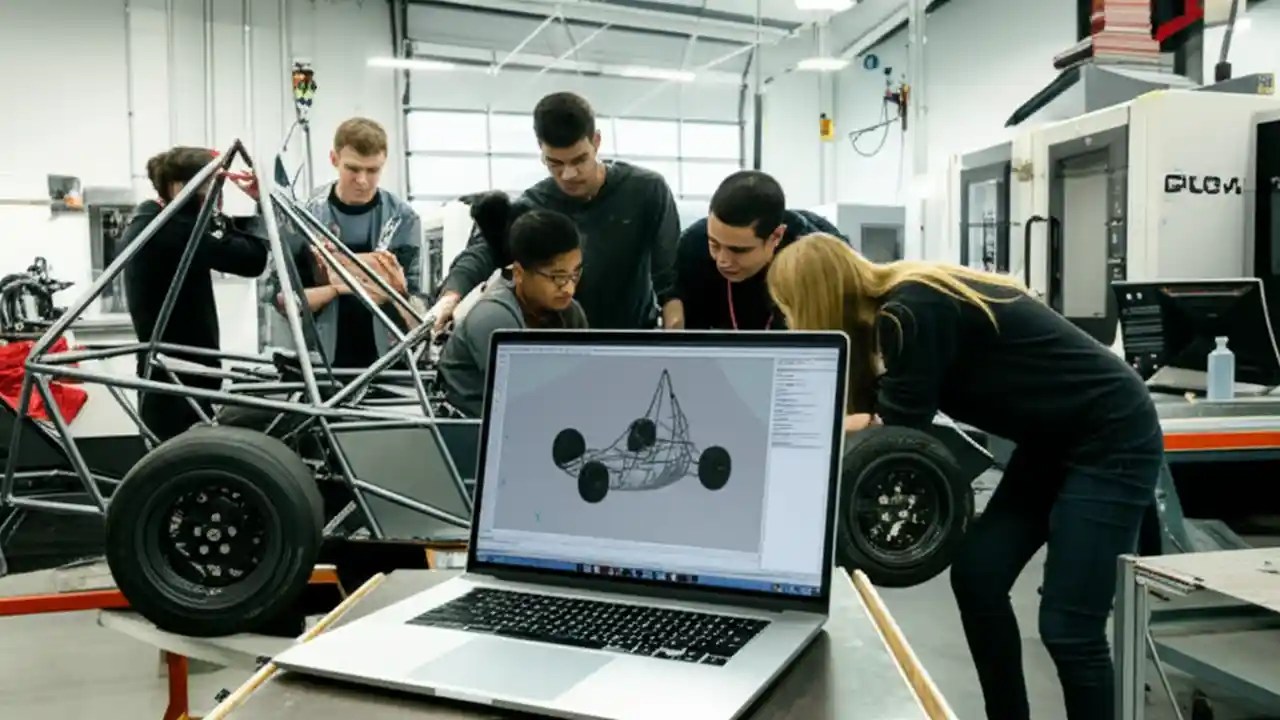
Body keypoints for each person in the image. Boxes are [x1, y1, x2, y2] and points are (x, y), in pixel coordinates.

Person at [766, 233, 1164, 720]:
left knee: (1069, 627)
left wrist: (825, 426)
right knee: (979, 576)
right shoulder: (894, 313)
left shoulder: (910, 310)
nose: (789, 320)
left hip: (1111, 434)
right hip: (1053, 438)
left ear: (812, 299)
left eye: (788, 308)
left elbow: (900, 435)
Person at [430, 91, 680, 331]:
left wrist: (675, 342)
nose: (568, 174)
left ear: (596, 141)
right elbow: (481, 252)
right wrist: (450, 297)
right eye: (555, 164)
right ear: (541, 148)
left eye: (579, 160)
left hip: (632, 339)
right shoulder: (534, 206)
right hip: (562, 343)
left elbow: (670, 280)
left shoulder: (647, 191)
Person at [123, 146, 269, 441]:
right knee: (180, 472)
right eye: (213, 187)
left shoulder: (155, 217)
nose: (217, 198)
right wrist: (261, 202)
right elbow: (253, 259)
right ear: (180, 187)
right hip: (176, 382)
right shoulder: (168, 227)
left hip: (179, 375)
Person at [276, 117, 423, 368]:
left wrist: (337, 281)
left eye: (373, 170)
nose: (362, 180)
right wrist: (348, 286)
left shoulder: (403, 219)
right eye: (353, 169)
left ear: (383, 163)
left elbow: (416, 303)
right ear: (334, 160)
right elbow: (282, 299)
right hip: (322, 361)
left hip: (388, 361)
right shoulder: (304, 217)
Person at [437, 199, 587, 417]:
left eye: (575, 274)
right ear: (518, 273)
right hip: (470, 434)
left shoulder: (569, 312)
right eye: (557, 277)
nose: (569, 288)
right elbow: (529, 400)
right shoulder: (491, 318)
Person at [671, 170, 847, 330]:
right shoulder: (693, 247)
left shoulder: (817, 255)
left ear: (776, 237)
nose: (722, 260)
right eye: (714, 244)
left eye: (738, 250)